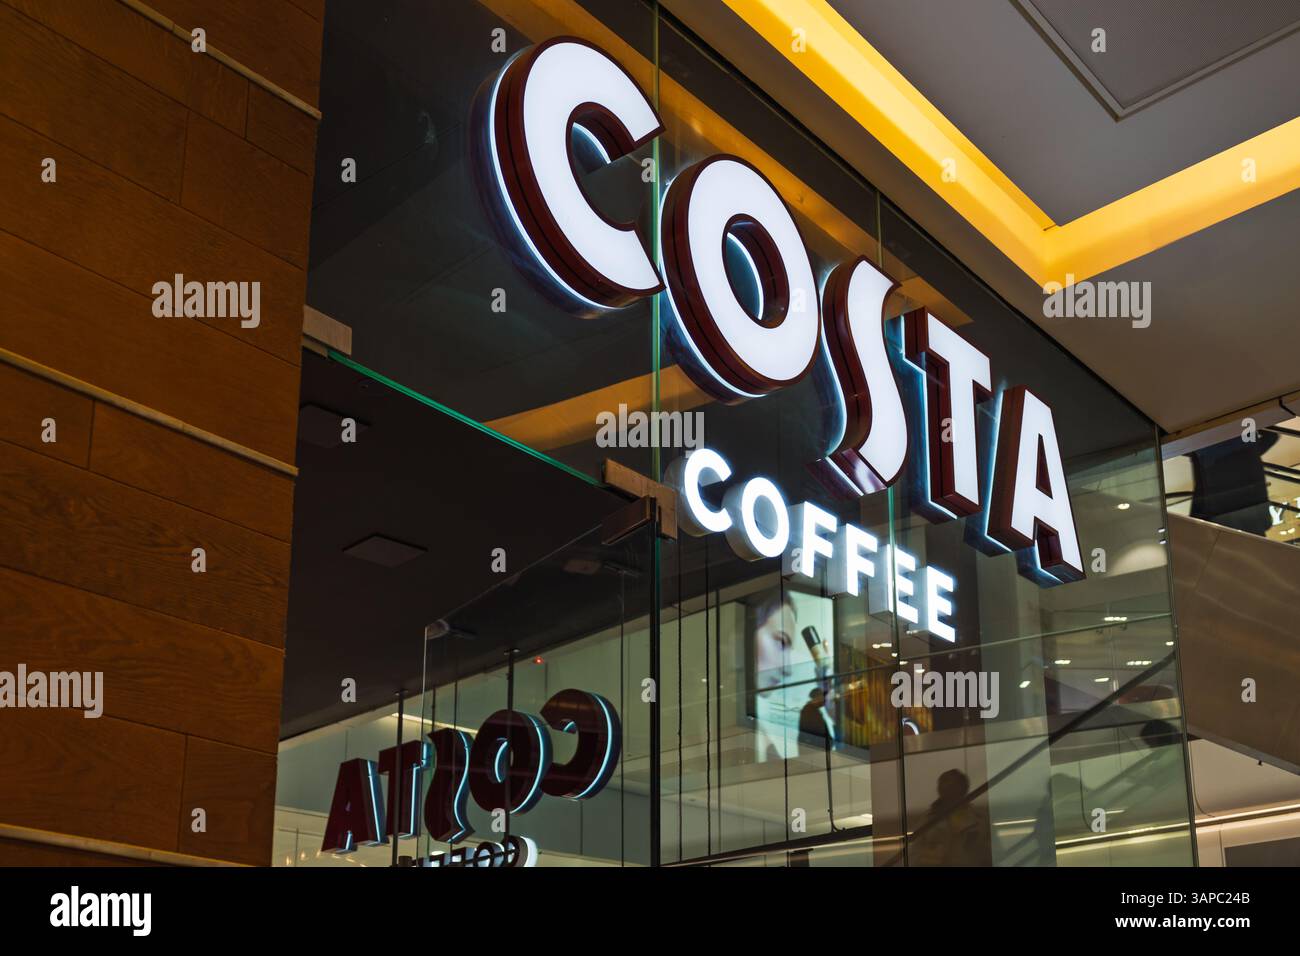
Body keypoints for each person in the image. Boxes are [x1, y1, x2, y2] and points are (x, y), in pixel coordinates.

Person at [910, 769, 993, 866]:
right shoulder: (927, 821)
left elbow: (994, 853)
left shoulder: (981, 819)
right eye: (944, 784)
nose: (948, 788)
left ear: (964, 789)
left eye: (954, 785)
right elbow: (915, 856)